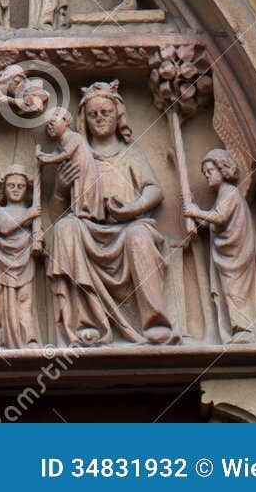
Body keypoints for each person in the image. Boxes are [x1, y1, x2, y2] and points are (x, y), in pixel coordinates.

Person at [43, 81, 177, 346]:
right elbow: (56, 215)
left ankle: (155, 321)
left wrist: (133, 209)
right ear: (84, 119)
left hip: (127, 227)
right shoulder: (76, 155)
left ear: (118, 116)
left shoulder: (129, 153)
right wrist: (59, 189)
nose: (100, 118)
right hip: (88, 230)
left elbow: (154, 191)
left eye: (106, 112)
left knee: (139, 235)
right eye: (93, 114)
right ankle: (86, 322)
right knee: (65, 228)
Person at [185, 149, 256, 342]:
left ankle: (246, 329)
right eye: (205, 173)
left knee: (235, 290)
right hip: (228, 254)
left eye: (210, 171)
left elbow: (220, 217)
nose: (207, 176)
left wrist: (196, 211)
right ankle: (238, 328)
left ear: (223, 169)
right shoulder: (222, 195)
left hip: (236, 255)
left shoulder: (230, 193)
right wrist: (195, 215)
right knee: (229, 290)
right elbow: (213, 223)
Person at [0, 167, 40, 348]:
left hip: (25, 262)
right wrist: (28, 215)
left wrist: (38, 240)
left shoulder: (32, 214)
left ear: (27, 189)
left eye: (21, 186)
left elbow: (37, 237)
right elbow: (4, 229)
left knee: (25, 300)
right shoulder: (0, 212)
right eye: (11, 186)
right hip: (1, 264)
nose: (16, 189)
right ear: (4, 189)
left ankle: (28, 338)